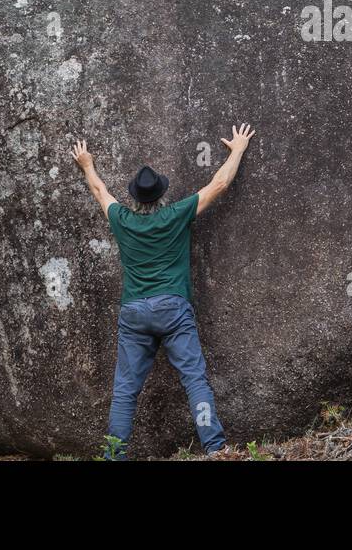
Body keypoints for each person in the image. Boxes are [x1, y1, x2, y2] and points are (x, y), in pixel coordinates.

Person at [70, 123, 256, 457]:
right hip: (173, 308)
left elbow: (99, 191)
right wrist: (238, 149)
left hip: (135, 313)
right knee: (194, 379)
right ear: (160, 195)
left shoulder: (122, 219)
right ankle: (215, 449)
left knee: (125, 391)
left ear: (136, 198)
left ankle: (114, 456)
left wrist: (86, 163)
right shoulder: (175, 214)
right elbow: (220, 183)